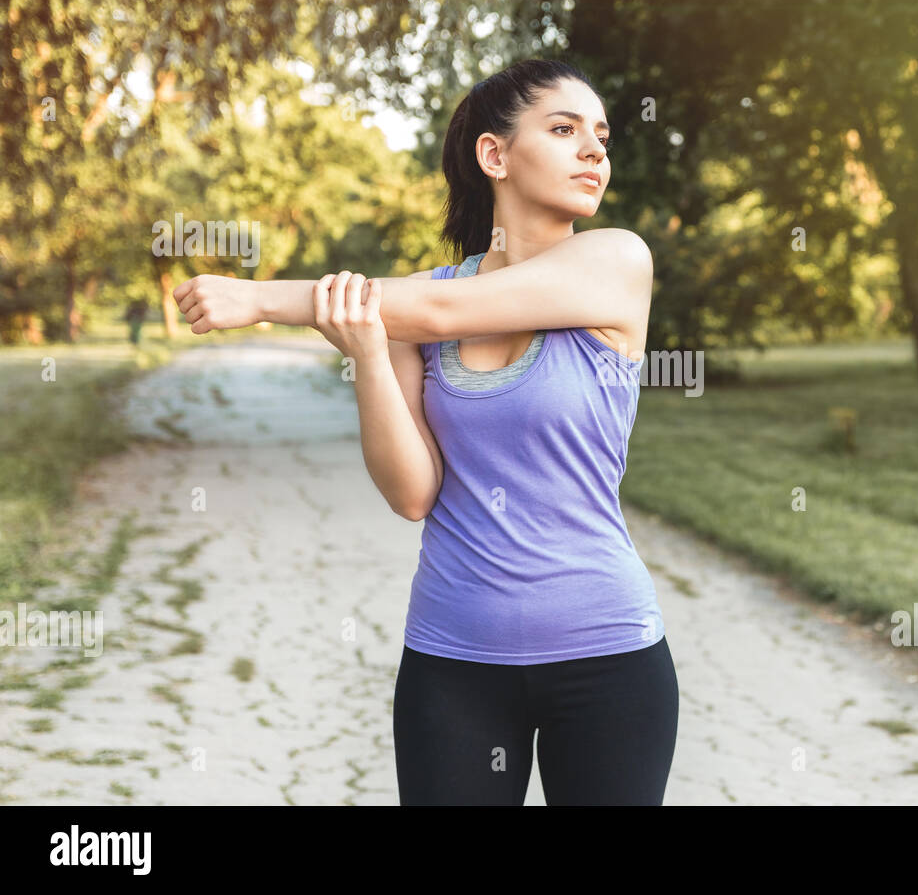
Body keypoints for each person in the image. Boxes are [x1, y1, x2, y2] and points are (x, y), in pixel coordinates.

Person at [170, 58, 678, 805]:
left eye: (600, 135)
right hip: (454, 663)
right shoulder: (408, 308)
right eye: (565, 129)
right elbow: (413, 493)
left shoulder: (616, 262)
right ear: (494, 155)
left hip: (608, 659)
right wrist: (372, 353)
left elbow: (443, 314)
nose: (595, 150)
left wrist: (259, 298)